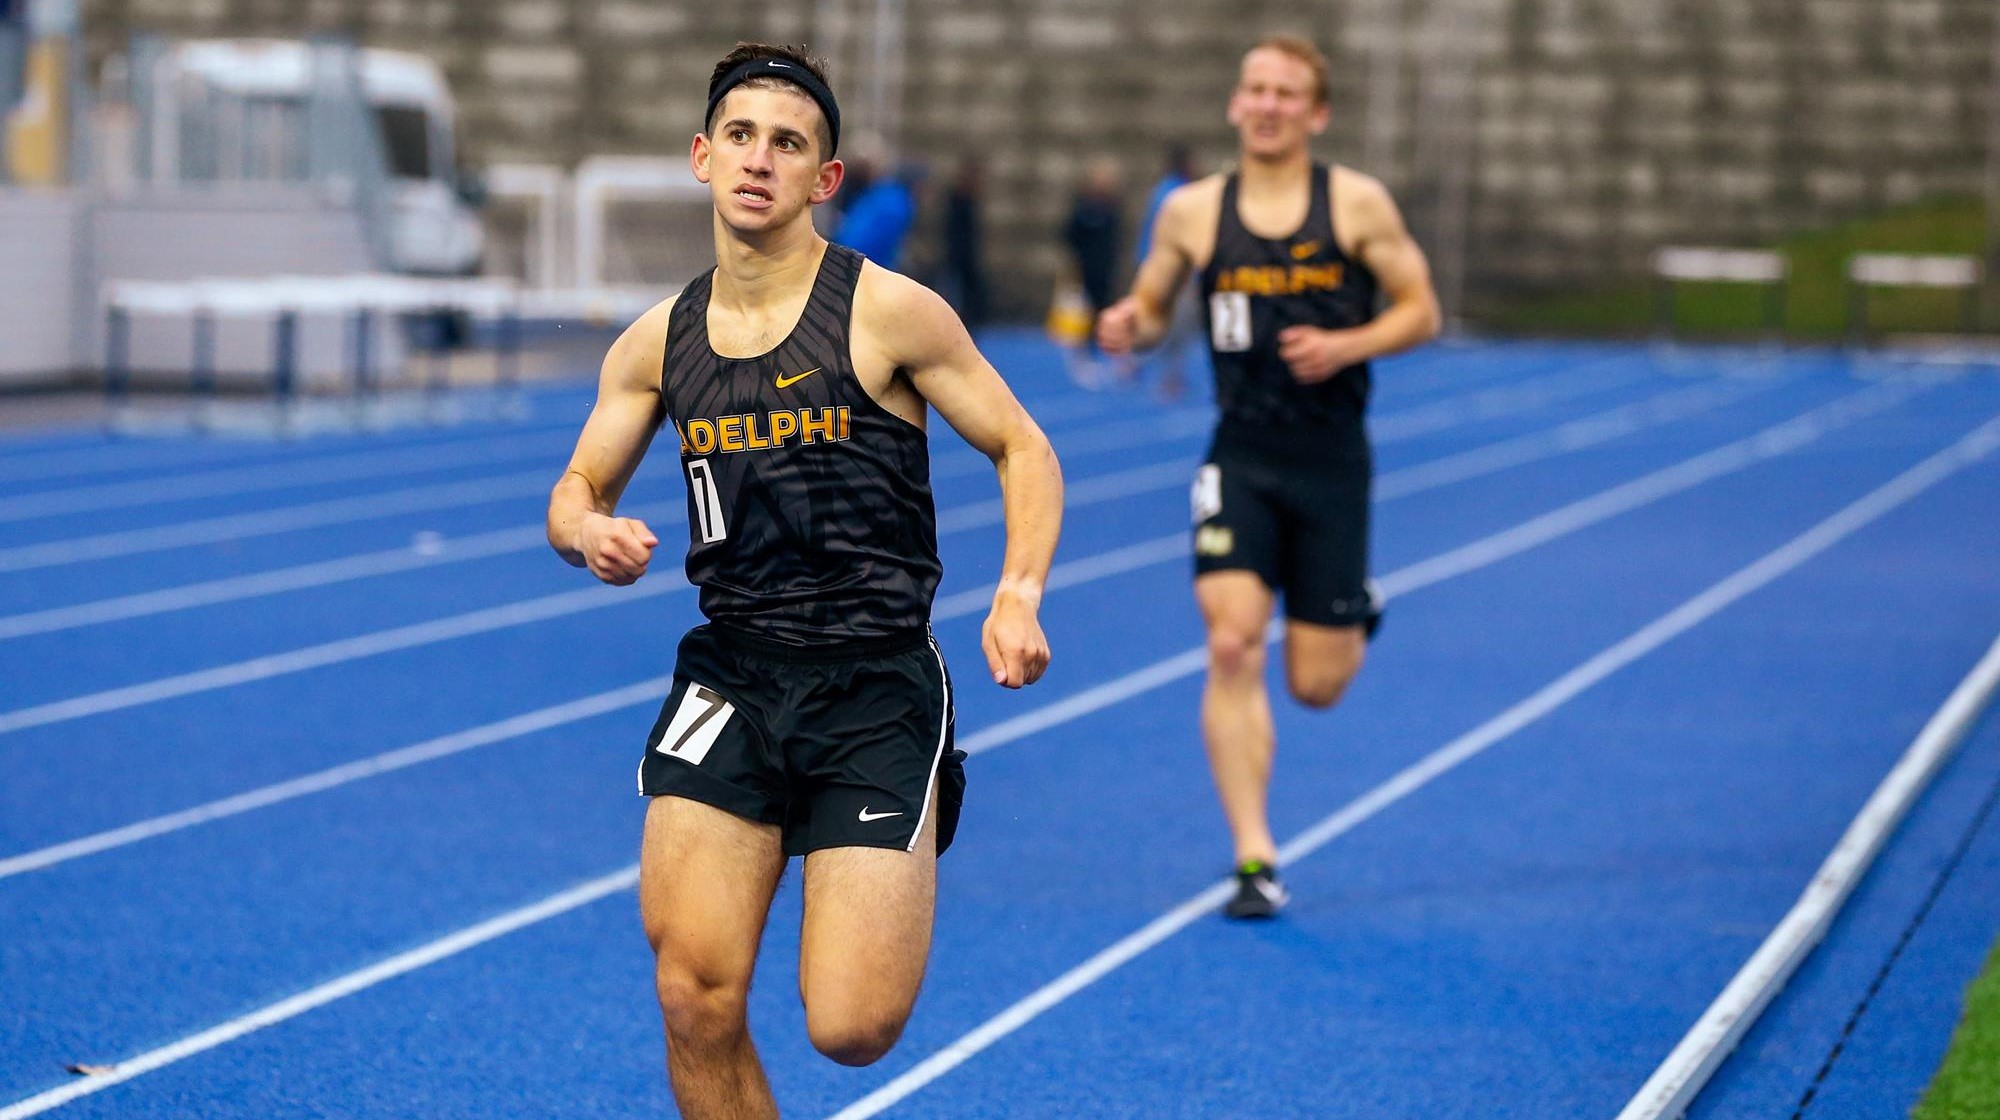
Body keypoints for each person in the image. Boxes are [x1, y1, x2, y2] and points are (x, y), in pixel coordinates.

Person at [546, 42, 1062, 1119]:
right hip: (730, 674)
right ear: (700, 155)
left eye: (787, 144)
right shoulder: (656, 342)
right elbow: (575, 484)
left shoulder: (888, 312)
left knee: (849, 1026)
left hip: (873, 684)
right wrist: (586, 528)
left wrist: (1016, 591)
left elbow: (1022, 447)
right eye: (738, 135)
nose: (757, 160)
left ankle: (910, 809)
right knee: (692, 994)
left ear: (825, 180)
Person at [1098, 35, 1440, 919]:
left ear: (1316, 113)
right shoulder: (1194, 212)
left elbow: (1421, 309)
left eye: (1287, 92)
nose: (1268, 104)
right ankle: (1255, 855)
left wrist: (1347, 345)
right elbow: (1154, 298)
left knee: (1317, 687)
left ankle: (1352, 603)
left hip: (1331, 460)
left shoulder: (1356, 204)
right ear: (1234, 105)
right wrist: (1128, 322)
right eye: (1255, 89)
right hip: (1241, 454)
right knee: (1230, 641)